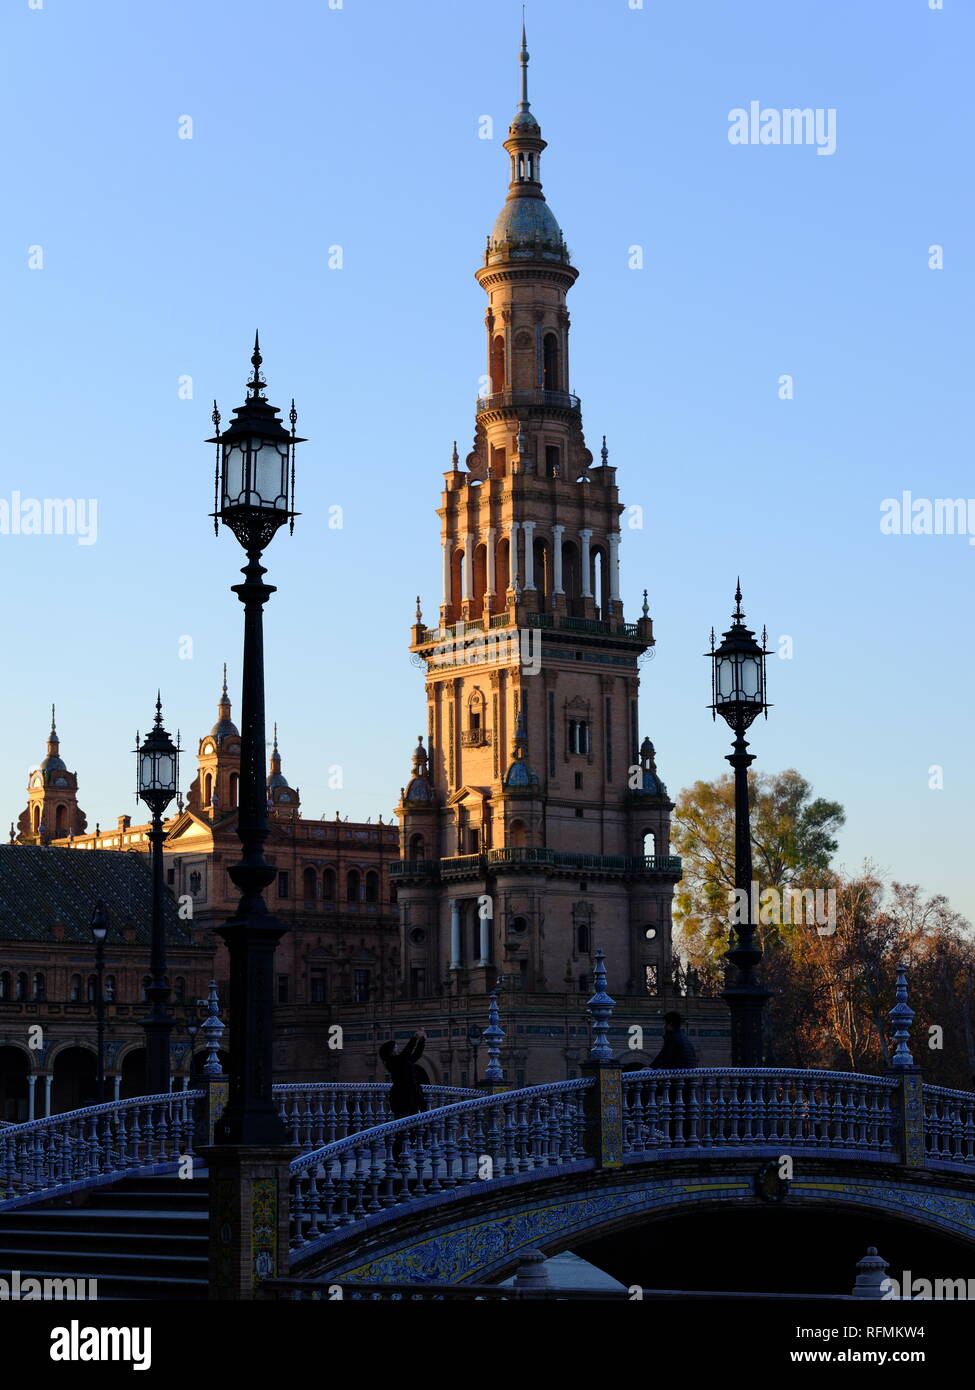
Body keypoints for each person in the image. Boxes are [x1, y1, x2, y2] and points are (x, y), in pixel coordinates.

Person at [378, 1029, 428, 1164]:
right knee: (402, 1128)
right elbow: (406, 1053)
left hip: (412, 1095)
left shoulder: (401, 1060)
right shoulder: (392, 1062)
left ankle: (411, 1149)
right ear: (390, 1051)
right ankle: (398, 1156)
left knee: (418, 1122)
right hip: (401, 1097)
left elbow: (415, 1056)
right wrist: (414, 1037)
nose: (397, 1048)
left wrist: (422, 1040)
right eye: (395, 1047)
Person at [650, 1012, 698, 1145]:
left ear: (670, 1024)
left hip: (676, 1084)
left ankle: (672, 1142)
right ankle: (686, 1142)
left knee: (673, 1114)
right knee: (685, 1113)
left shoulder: (672, 1038)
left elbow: (665, 1057)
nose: (664, 1026)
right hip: (687, 1082)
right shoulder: (683, 1037)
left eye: (665, 1023)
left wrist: (652, 1068)